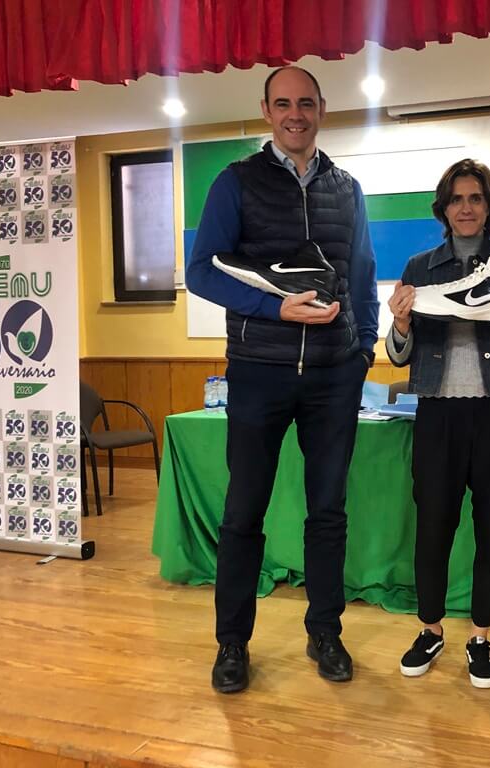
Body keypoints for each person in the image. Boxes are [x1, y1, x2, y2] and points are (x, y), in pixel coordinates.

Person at [186, 66, 379, 693]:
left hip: (333, 378)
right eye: (283, 104)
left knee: (328, 513)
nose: (295, 114)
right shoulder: (234, 183)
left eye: (306, 103)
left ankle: (325, 632)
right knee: (244, 513)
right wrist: (274, 308)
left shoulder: (347, 189)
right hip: (259, 373)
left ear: (322, 108)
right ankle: (232, 645)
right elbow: (203, 274)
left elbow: (361, 275)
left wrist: (363, 351)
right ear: (266, 110)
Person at [386, 159, 490, 688]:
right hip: (436, 412)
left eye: (475, 198)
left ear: (489, 207)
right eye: (456, 199)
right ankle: (431, 629)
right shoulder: (418, 268)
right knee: (433, 525)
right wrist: (402, 322)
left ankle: (480, 637)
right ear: (444, 209)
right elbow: (397, 355)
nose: (466, 208)